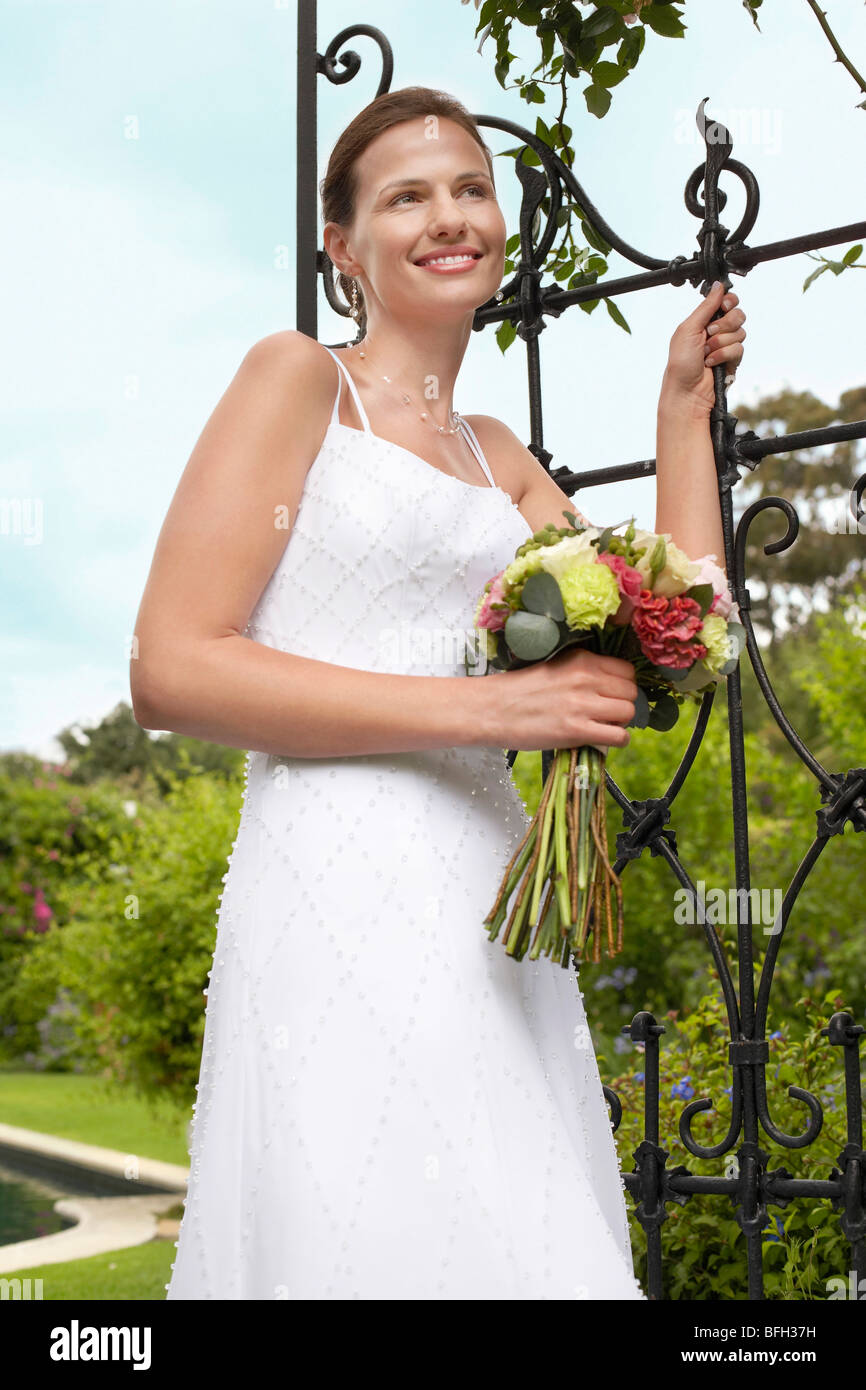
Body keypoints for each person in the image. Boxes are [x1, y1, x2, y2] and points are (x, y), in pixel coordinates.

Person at [130, 86, 745, 1301]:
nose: (449, 214)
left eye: (469, 187)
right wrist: (490, 712)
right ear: (340, 248)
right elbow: (172, 665)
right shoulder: (298, 379)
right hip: (334, 886)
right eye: (405, 196)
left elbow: (683, 629)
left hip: (493, 904)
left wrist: (682, 410)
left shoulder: (495, 454)